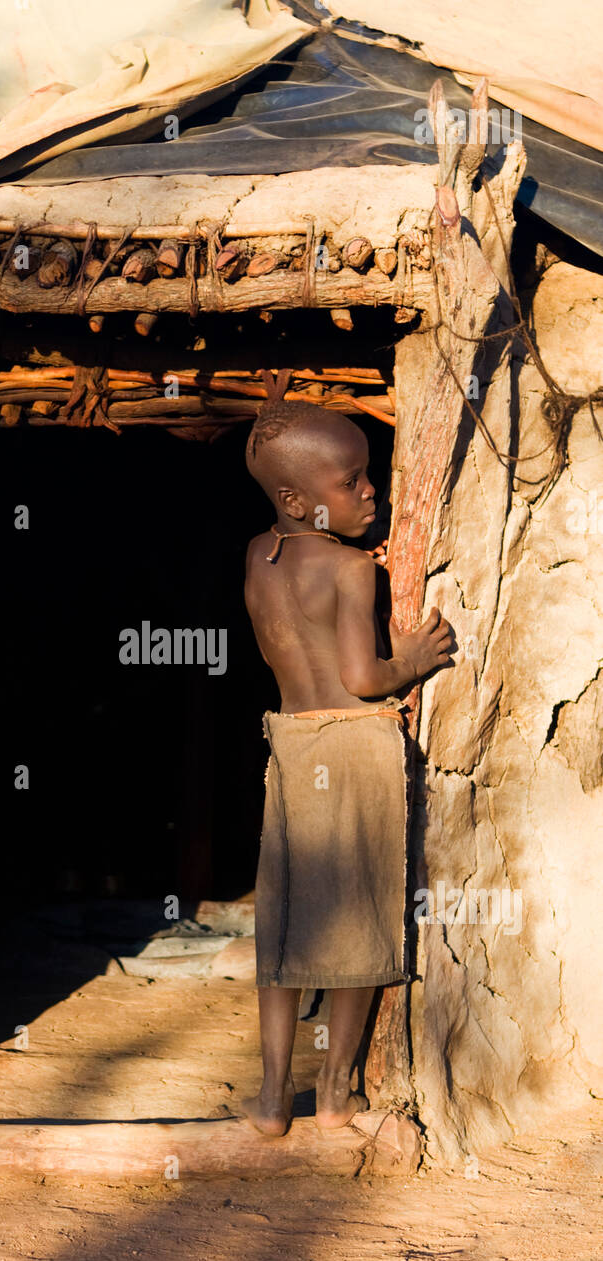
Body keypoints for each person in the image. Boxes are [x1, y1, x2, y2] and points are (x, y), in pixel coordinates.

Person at [241, 401, 452, 1136]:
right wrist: (412, 660)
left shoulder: (258, 555)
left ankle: (272, 1099)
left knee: (283, 916)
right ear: (297, 499)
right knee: (360, 914)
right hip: (357, 745)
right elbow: (363, 676)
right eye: (351, 480)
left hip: (293, 743)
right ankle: (334, 1092)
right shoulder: (352, 568)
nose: (370, 491)